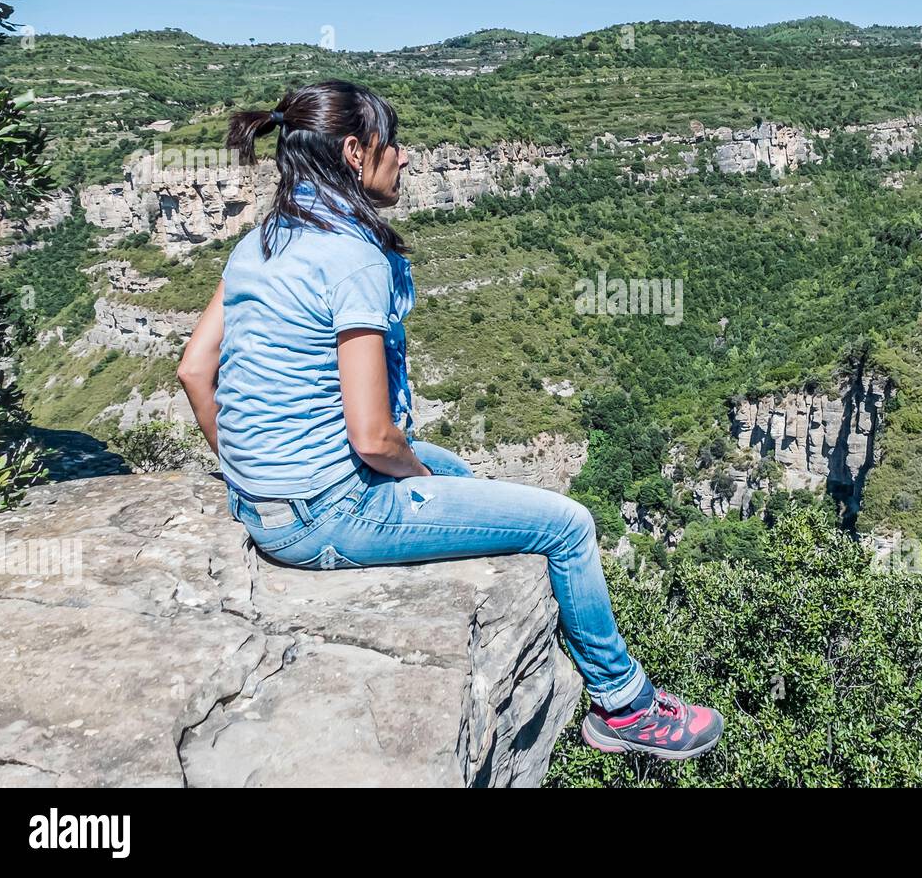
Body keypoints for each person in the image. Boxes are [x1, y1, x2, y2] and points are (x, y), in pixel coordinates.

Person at [177, 79, 723, 761]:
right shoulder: (352, 257)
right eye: (392, 144)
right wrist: (387, 474)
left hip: (265, 503)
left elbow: (195, 371)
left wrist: (254, 474)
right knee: (568, 525)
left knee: (455, 469)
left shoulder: (260, 241)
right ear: (355, 151)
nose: (405, 158)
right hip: (326, 510)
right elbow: (373, 437)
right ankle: (626, 705)